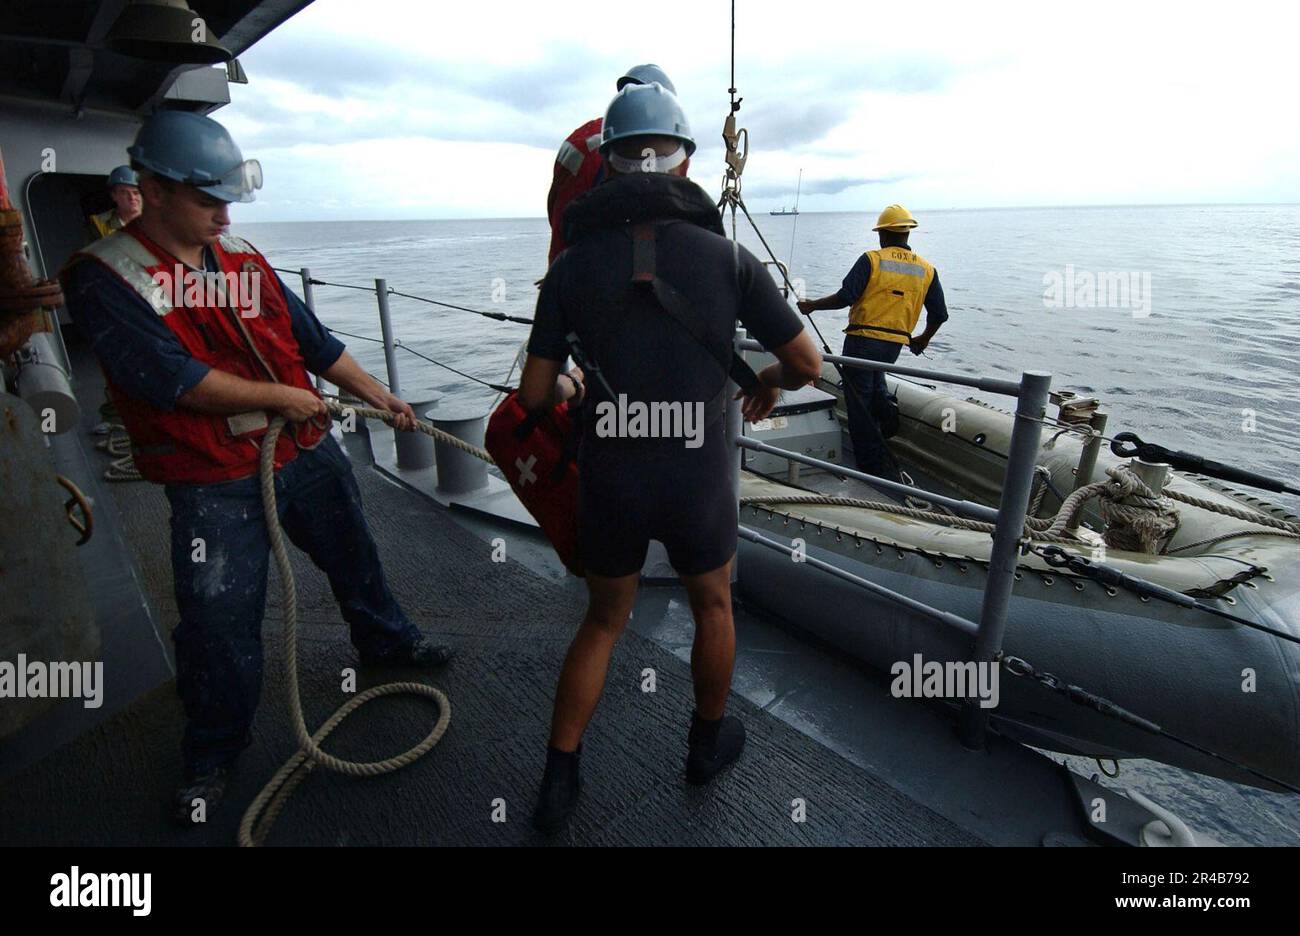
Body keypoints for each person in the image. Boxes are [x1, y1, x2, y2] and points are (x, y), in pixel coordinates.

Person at [59, 111, 452, 824]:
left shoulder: (240, 256)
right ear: (151, 188)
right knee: (218, 617)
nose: (223, 212)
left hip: (304, 450)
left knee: (354, 554)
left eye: (226, 197)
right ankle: (213, 752)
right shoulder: (105, 279)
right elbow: (172, 379)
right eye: (207, 199)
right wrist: (288, 397)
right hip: (213, 476)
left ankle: (388, 643)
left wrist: (378, 394)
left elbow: (314, 339)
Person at [520, 82, 823, 832]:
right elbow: (809, 363)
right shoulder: (728, 258)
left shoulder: (571, 267)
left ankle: (558, 782)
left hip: (613, 477)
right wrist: (770, 385)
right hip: (695, 478)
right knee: (713, 605)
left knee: (602, 622)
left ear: (611, 164)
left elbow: (532, 396)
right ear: (685, 161)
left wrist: (569, 377)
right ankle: (705, 744)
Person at [797, 205, 948, 480]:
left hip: (862, 340)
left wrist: (813, 306)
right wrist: (922, 340)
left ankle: (871, 465)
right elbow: (940, 314)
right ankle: (886, 424)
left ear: (882, 234)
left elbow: (846, 296)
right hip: (893, 346)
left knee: (858, 403)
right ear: (906, 233)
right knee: (876, 387)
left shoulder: (872, 260)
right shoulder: (926, 269)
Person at [545, 64, 676, 265]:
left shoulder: (583, 136)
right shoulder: (631, 143)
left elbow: (554, 201)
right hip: (596, 263)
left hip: (564, 259)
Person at [90, 165, 142, 237]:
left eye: (136, 192)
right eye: (124, 193)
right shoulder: (100, 224)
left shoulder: (155, 222)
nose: (132, 197)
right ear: (114, 195)